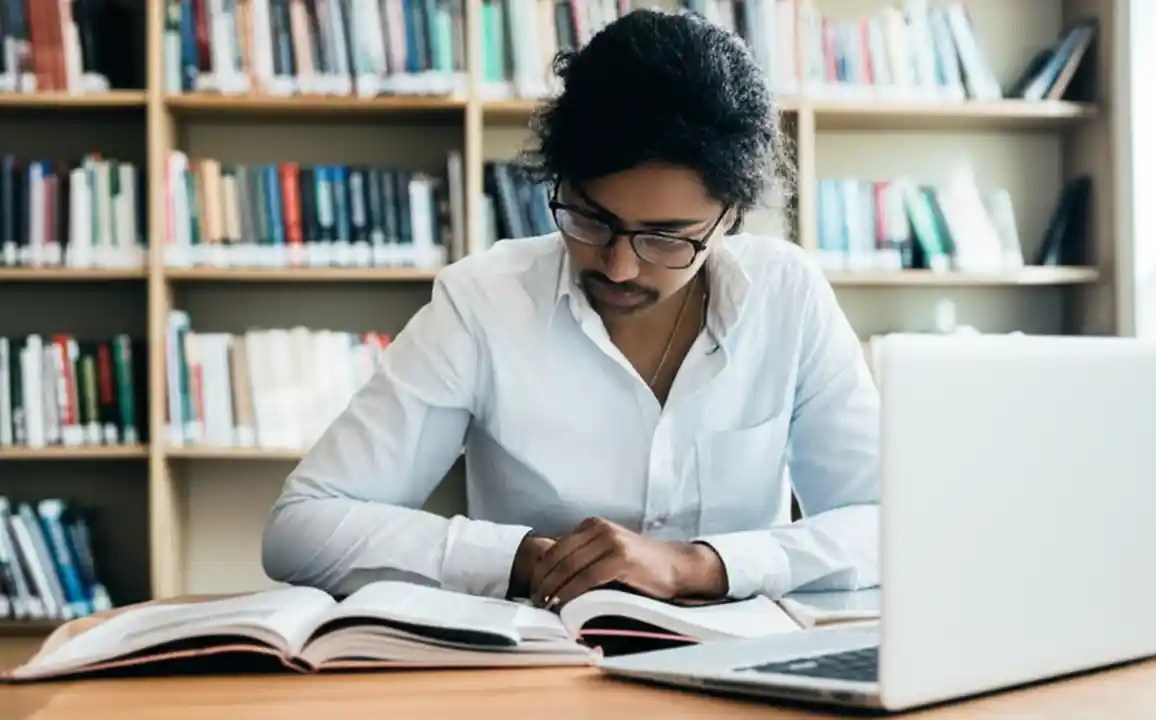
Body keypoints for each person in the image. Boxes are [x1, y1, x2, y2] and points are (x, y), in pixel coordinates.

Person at [261, 9, 880, 610]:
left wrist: (698, 565)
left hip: (744, 680)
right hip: (545, 672)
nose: (618, 267)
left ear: (730, 218)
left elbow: (889, 524)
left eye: (665, 237)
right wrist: (525, 560)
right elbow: (301, 528)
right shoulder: (484, 301)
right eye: (591, 220)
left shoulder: (787, 297)